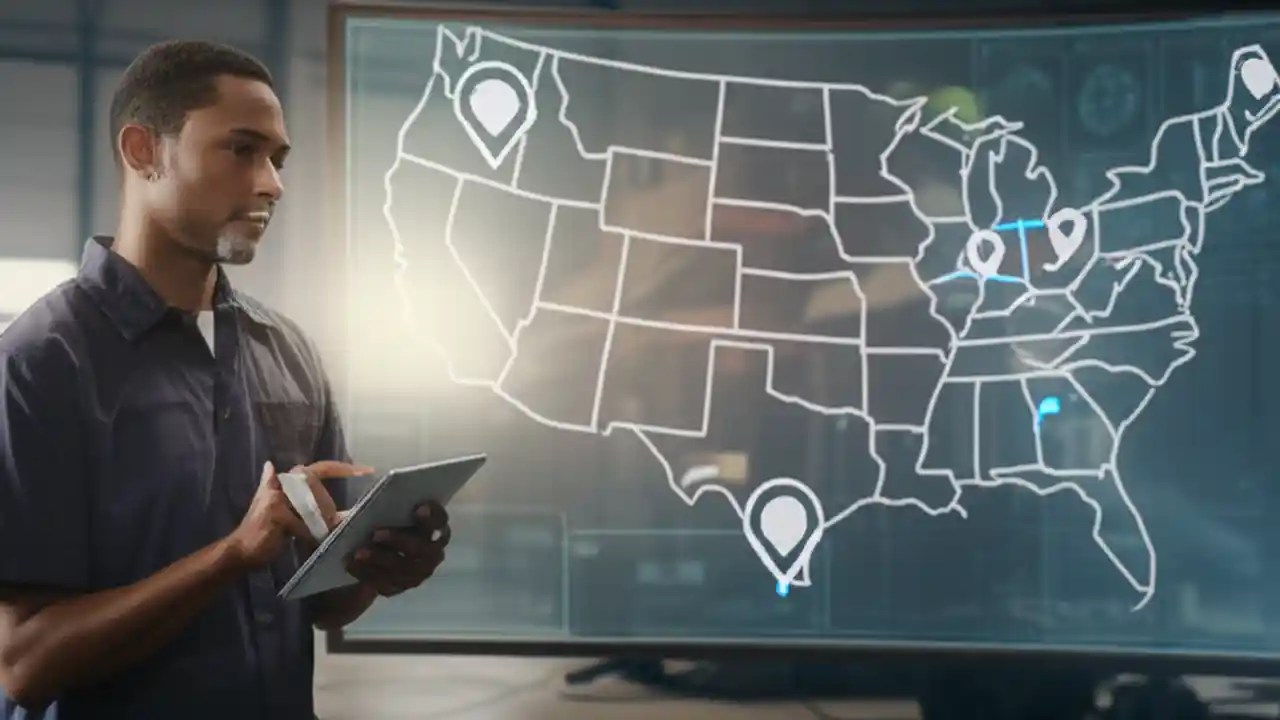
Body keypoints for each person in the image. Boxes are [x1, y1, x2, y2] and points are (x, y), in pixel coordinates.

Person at [0, 40, 450, 718]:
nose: (272, 182)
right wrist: (231, 556)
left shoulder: (289, 351)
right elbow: (24, 664)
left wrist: (380, 568)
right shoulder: (40, 364)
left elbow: (325, 605)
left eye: (278, 158)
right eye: (242, 150)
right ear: (143, 151)